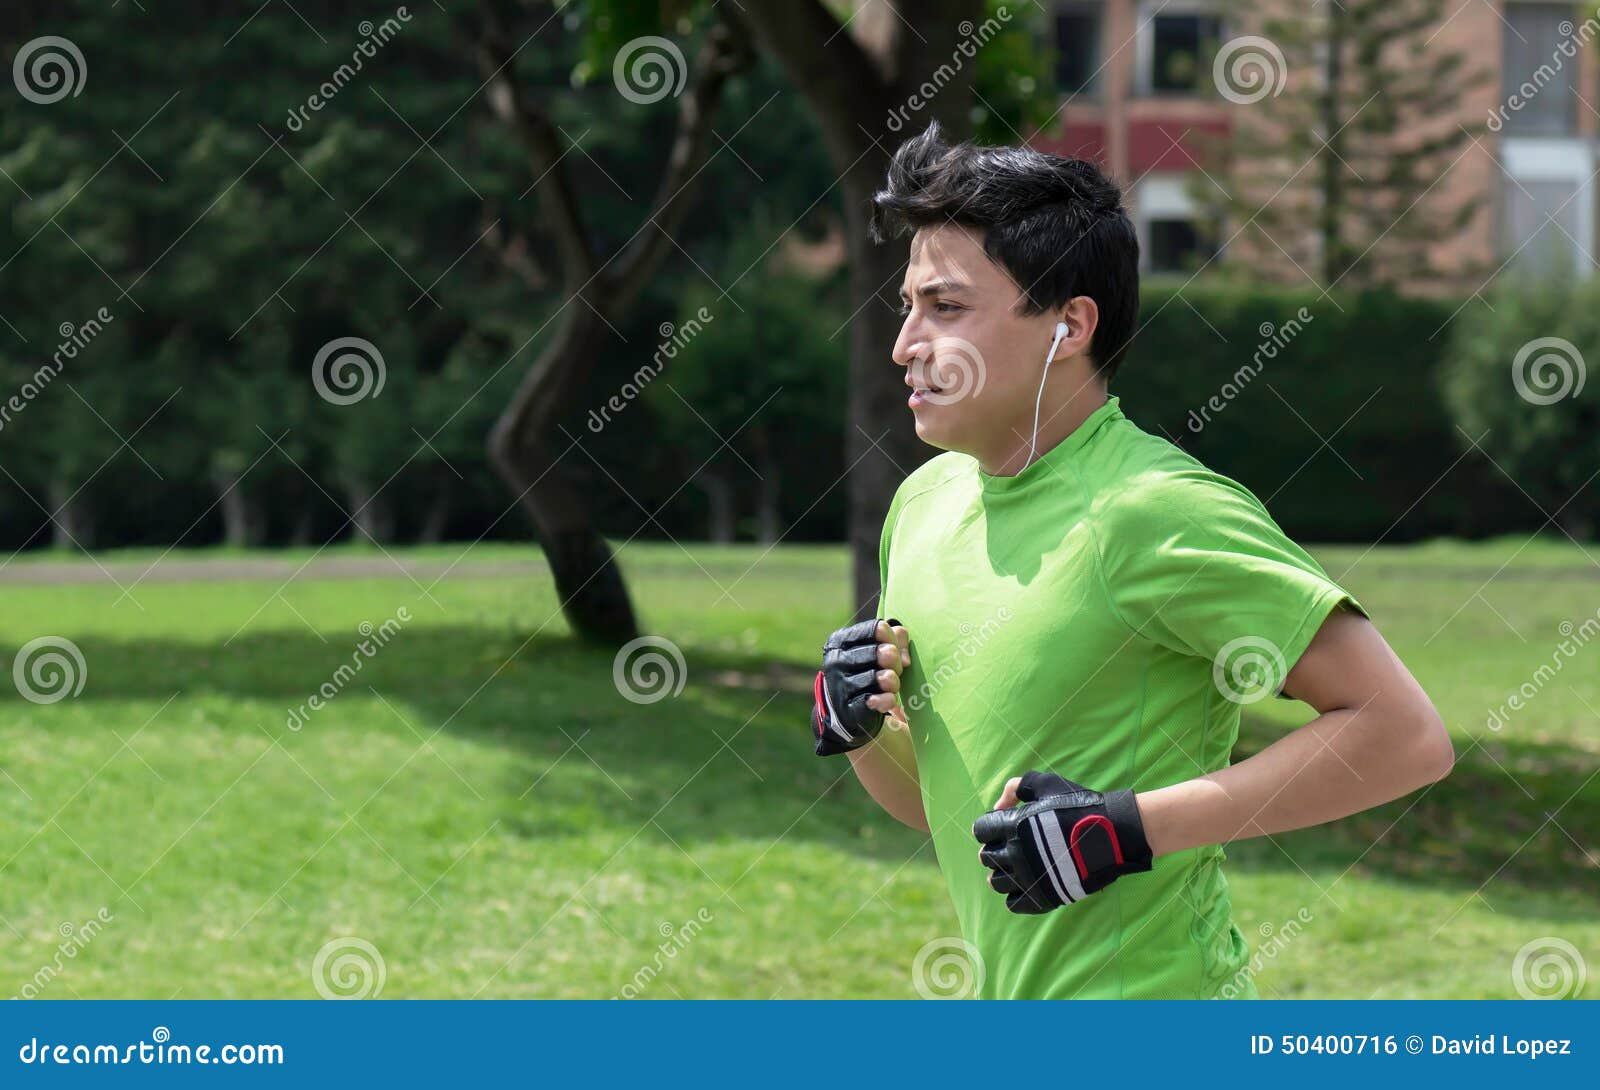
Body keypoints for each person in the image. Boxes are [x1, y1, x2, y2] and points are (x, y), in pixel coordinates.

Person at [809, 121, 1455, 1000]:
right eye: (908, 306)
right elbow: (957, 819)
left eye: (947, 307)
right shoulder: (924, 505)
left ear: (1069, 325)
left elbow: (1404, 735)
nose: (906, 344)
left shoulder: (1156, 511)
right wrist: (857, 733)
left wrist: (1126, 829)